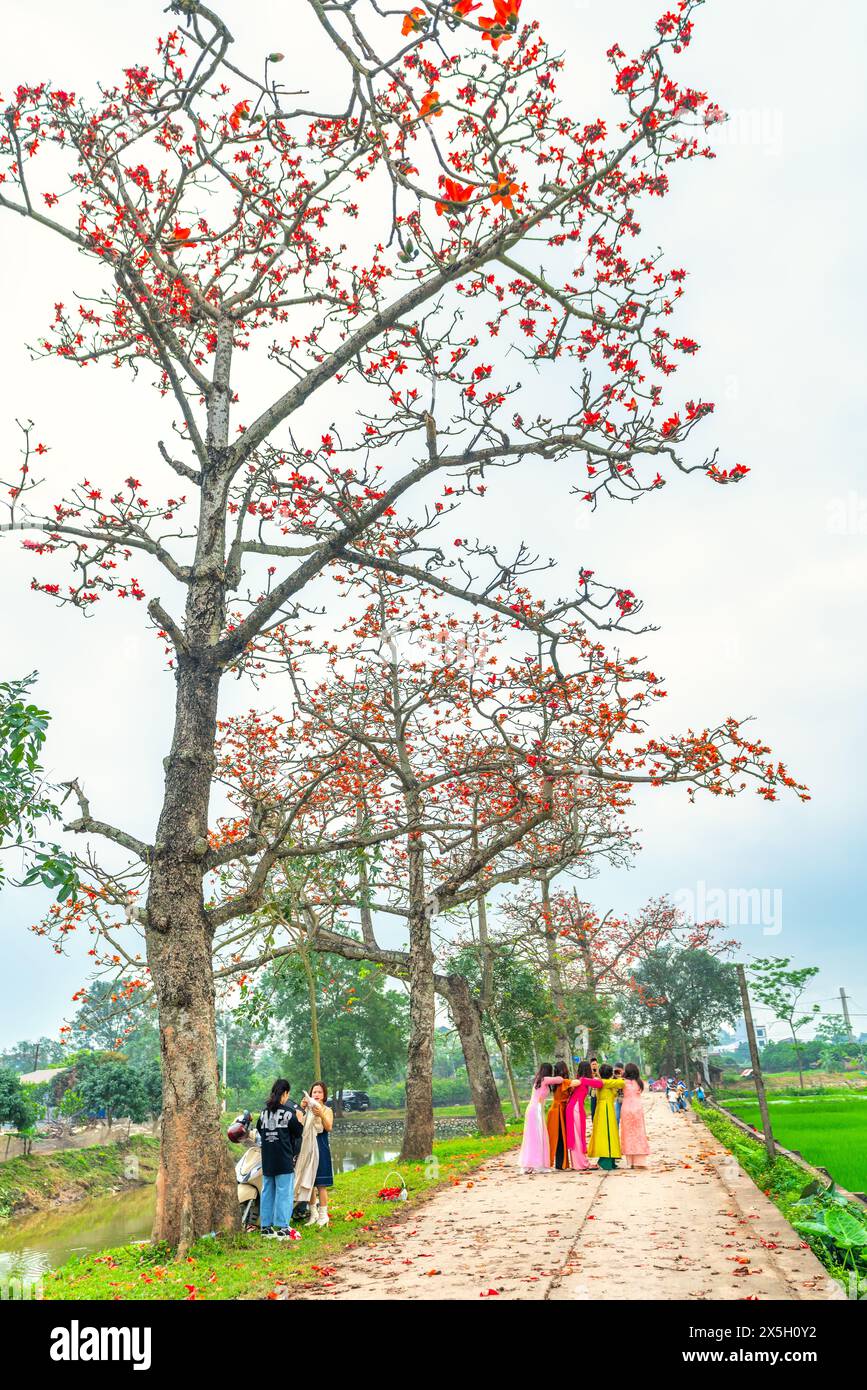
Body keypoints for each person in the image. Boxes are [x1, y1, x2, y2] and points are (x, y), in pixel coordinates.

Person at [256, 1078, 304, 1238]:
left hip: (268, 1159)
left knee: (267, 1192)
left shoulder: (263, 1113)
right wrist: (300, 1119)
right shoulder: (289, 1113)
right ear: (285, 1094)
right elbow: (298, 1133)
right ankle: (283, 1228)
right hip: (284, 1158)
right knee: (284, 1192)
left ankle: (266, 1228)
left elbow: (259, 1130)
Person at [293, 1082, 335, 1227]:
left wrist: (321, 1114)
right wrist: (302, 1108)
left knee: (321, 1184)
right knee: (309, 1182)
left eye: (319, 1092)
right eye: (314, 1092)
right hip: (307, 1148)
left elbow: (329, 1127)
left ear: (324, 1095)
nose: (316, 1095)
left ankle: (324, 1215)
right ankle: (313, 1214)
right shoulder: (307, 1110)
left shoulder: (327, 1110)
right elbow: (298, 1126)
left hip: (321, 1147)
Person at [518, 1064, 562, 1172]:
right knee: (537, 1137)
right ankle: (538, 1165)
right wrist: (559, 1073)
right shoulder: (544, 1079)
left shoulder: (539, 1079)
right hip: (535, 1110)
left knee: (533, 1137)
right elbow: (560, 1079)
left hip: (534, 1109)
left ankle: (530, 1165)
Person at [565, 1060, 604, 1170]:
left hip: (573, 1107)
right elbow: (600, 1083)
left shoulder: (580, 1079)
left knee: (575, 1135)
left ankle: (577, 1163)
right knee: (577, 1135)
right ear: (588, 1069)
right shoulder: (584, 1080)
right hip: (575, 1108)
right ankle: (582, 1164)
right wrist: (596, 1075)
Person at [587, 1064, 624, 1171]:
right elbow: (622, 1082)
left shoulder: (604, 1082)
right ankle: (606, 1161)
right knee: (607, 1134)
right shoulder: (605, 1082)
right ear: (610, 1073)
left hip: (605, 1109)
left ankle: (610, 1160)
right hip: (606, 1110)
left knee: (609, 1134)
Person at [619, 1063, 650, 1169]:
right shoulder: (640, 1082)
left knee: (628, 1134)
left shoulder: (623, 1082)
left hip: (626, 1108)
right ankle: (640, 1161)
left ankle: (631, 1162)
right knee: (639, 1133)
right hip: (637, 1108)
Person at [546, 1061, 576, 1170]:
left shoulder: (556, 1081)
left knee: (555, 1137)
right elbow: (576, 1083)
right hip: (559, 1110)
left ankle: (555, 1162)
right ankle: (560, 1163)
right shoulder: (563, 1081)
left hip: (554, 1110)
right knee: (560, 1137)